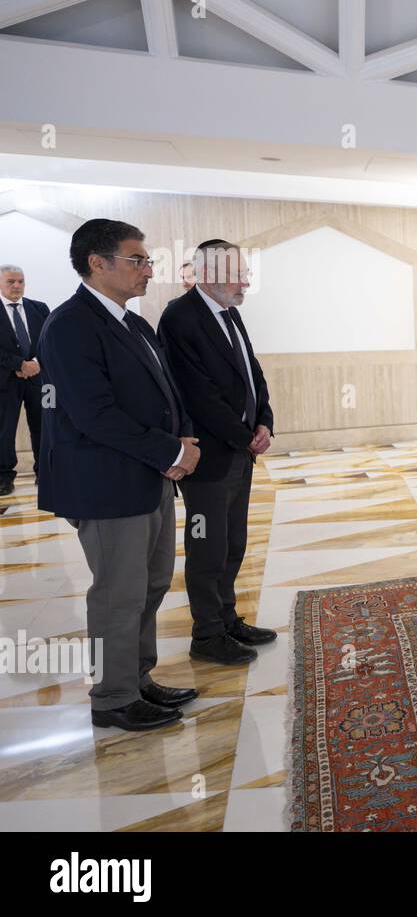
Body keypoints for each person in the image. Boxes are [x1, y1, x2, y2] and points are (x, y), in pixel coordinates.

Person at [38, 219, 201, 731]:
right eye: (138, 260)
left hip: (149, 475)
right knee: (118, 592)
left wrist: (182, 442)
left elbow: (166, 392)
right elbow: (95, 414)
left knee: (150, 585)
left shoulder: (132, 321)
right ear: (97, 262)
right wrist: (170, 449)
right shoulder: (69, 325)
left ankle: (137, 679)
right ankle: (112, 699)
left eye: (147, 260)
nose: (149, 270)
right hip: (107, 483)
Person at [159, 240, 276, 665]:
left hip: (239, 454)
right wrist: (243, 435)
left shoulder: (231, 312)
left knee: (233, 542)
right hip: (208, 458)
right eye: (239, 272)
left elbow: (251, 373)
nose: (246, 280)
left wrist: (265, 420)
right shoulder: (180, 317)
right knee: (207, 546)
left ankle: (227, 619)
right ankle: (207, 634)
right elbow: (196, 394)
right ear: (209, 273)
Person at [0, 264, 48, 495]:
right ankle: (4, 477)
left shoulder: (39, 308)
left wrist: (36, 363)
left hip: (39, 379)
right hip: (5, 381)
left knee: (44, 426)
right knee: (4, 430)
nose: (17, 286)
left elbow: (51, 340)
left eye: (20, 281)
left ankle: (45, 472)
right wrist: (19, 364)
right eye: (11, 281)